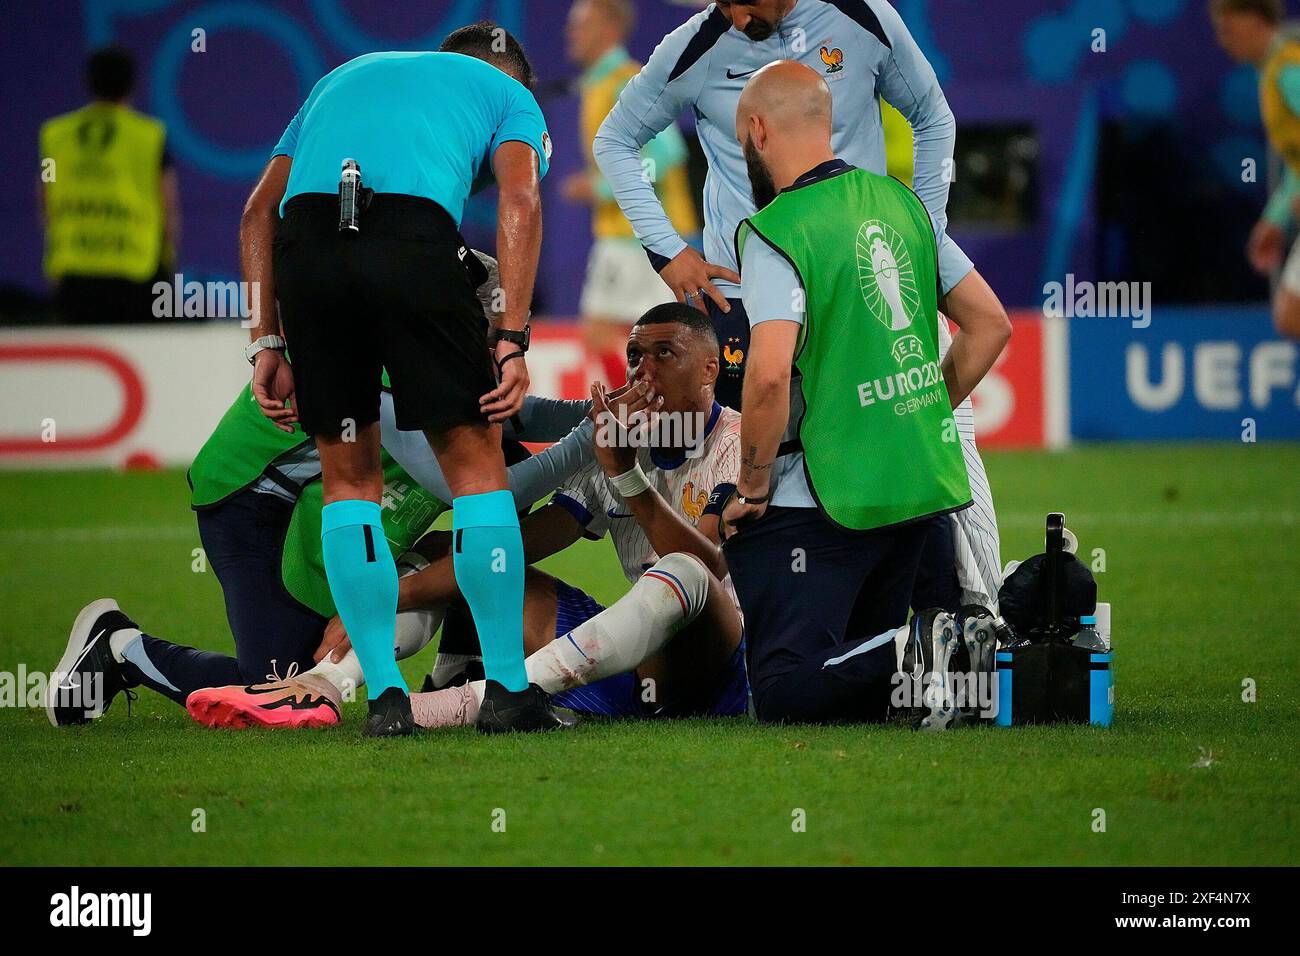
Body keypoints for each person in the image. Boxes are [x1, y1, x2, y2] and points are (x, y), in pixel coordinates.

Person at [44, 260, 602, 732]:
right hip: (252, 498)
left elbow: (508, 414)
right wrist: (596, 437)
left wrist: (597, 414)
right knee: (281, 687)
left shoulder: (435, 356)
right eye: (500, 333)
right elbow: (470, 487)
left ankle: (462, 665)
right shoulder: (393, 363)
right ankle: (121, 646)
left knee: (316, 666)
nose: (509, 347)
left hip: (309, 499)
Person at [593, 0, 1008, 612]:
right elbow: (616, 139)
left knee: (946, 453)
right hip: (755, 301)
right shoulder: (700, 43)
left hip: (865, 269)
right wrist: (666, 252)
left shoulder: (864, 19)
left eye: (742, 0)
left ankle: (981, 623)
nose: (732, 16)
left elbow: (933, 117)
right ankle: (770, 649)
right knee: (768, 483)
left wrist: (918, 229)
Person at [190, 304, 747, 730]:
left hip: (713, 657)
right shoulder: (617, 445)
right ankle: (329, 683)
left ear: (709, 367)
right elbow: (519, 541)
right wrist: (394, 596)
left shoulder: (739, 440)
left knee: (684, 576)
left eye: (663, 355)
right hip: (628, 657)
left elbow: (711, 564)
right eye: (633, 357)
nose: (642, 372)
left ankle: (471, 698)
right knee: (460, 549)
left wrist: (625, 475)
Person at [238, 22, 560, 735]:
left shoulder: (338, 77)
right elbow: (521, 200)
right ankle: (508, 690)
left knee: (347, 480)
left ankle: (384, 702)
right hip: (412, 242)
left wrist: (265, 339)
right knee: (477, 467)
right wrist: (510, 333)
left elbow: (258, 210)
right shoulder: (510, 95)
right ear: (515, 75)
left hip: (309, 249)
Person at [719, 62, 1010, 724]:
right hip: (917, 494)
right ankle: (942, 651)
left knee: (784, 690)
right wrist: (923, 409)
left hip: (824, 497)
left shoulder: (777, 231)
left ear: (758, 131)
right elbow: (990, 326)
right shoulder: (904, 205)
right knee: (854, 673)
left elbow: (767, 376)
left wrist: (752, 486)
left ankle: (924, 643)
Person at [562, 0, 700, 388]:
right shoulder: (602, 83)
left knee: (603, 333)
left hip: (637, 235)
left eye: (580, 26)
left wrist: (602, 187)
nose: (570, 34)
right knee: (653, 341)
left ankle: (642, 416)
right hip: (640, 234)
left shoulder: (625, 81)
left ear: (609, 29)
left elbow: (666, 156)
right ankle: (656, 417)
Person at [39, 46, 181, 324]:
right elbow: (168, 207)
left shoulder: (55, 135)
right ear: (132, 84)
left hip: (75, 273)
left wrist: (55, 258)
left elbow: (46, 199)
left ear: (89, 83)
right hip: (137, 272)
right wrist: (168, 267)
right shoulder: (149, 135)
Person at [1211, 0, 1300, 339]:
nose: (1223, 41)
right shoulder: (1272, 73)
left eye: (1227, 28)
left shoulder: (1290, 69)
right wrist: (1276, 219)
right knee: (1290, 316)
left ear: (1255, 19)